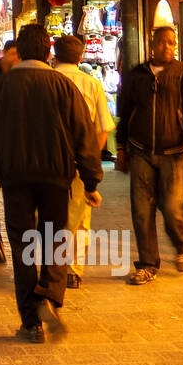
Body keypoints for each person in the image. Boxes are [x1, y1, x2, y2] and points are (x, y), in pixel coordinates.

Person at [0, 25, 102, 342]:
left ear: (19, 51)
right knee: (56, 239)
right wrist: (91, 181)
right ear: (48, 52)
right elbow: (83, 133)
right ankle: (49, 292)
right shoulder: (62, 85)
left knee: (23, 246)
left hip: (15, 177)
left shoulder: (3, 87)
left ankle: (31, 323)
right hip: (55, 177)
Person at [116, 26, 183, 284]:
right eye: (163, 43)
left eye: (172, 43)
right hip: (141, 152)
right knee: (142, 211)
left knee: (172, 208)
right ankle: (147, 264)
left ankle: (181, 245)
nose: (169, 47)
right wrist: (121, 147)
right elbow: (124, 112)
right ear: (152, 44)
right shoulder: (137, 75)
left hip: (176, 153)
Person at [51, 35, 115, 289]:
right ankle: (73, 270)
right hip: (79, 161)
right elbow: (102, 128)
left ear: (54, 55)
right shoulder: (91, 84)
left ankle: (49, 265)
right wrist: (89, 158)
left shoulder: (45, 80)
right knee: (79, 218)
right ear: (80, 57)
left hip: (47, 161)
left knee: (47, 214)